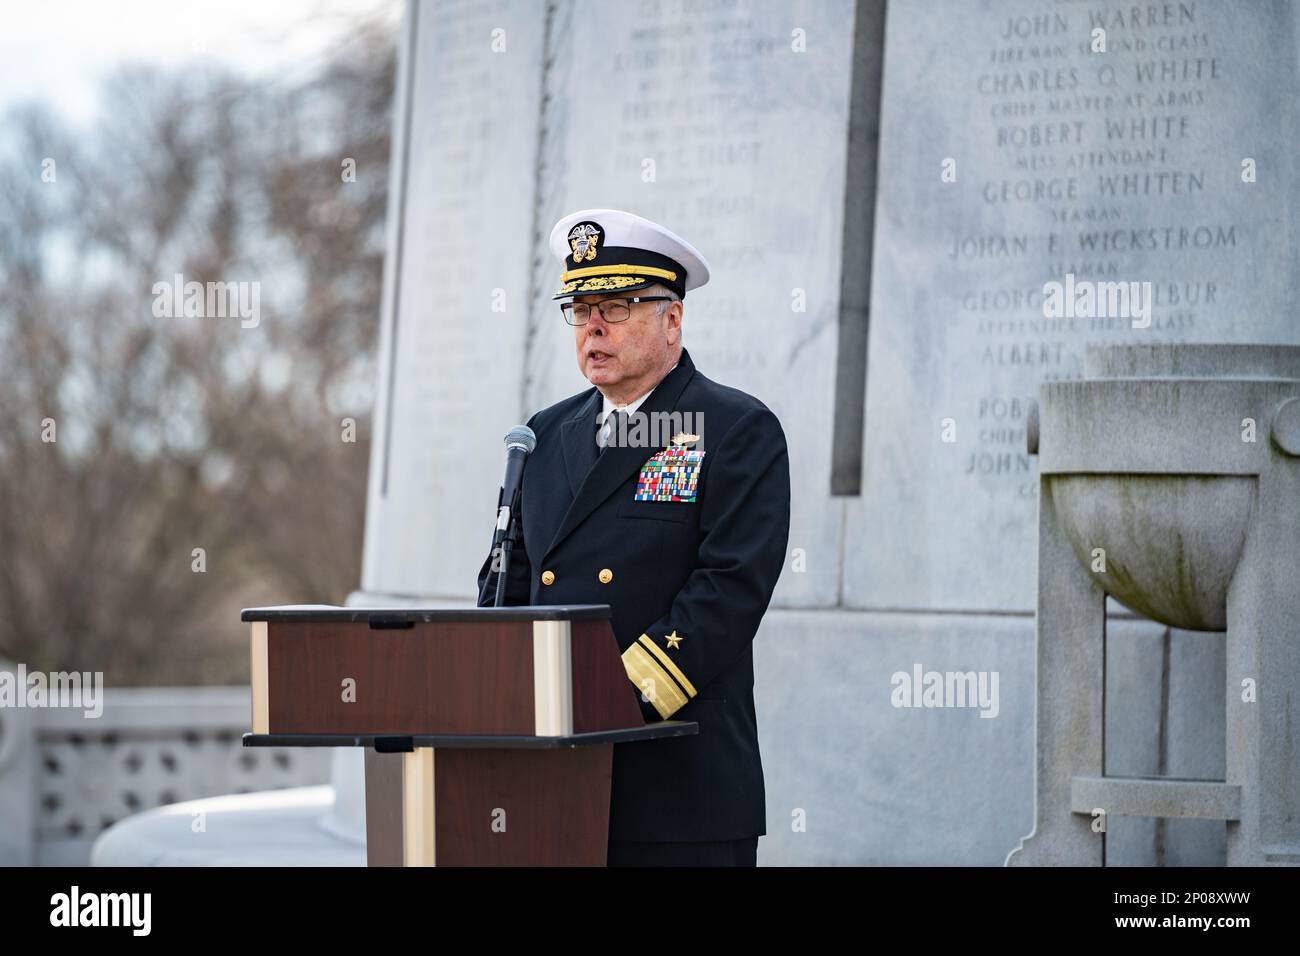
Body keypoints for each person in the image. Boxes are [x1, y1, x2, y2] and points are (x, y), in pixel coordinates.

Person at [477, 208, 791, 866]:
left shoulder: (732, 428)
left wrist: (605, 700)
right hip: (551, 776)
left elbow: (727, 593)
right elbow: (509, 581)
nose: (592, 325)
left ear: (671, 320)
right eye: (581, 307)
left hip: (677, 791)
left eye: (615, 307)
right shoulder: (543, 433)